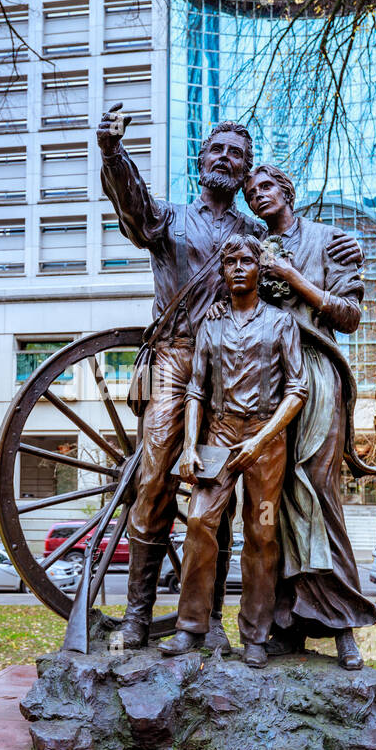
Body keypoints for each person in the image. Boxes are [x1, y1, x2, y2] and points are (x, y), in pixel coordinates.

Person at [98, 102, 265, 649]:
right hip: (173, 358)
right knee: (152, 483)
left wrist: (340, 251)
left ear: (245, 171)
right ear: (202, 160)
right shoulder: (168, 218)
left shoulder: (253, 233)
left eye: (236, 154)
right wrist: (112, 151)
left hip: (233, 367)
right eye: (217, 149)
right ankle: (138, 618)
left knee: (220, 493)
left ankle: (208, 620)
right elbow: (134, 205)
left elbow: (291, 270)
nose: (225, 158)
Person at [240, 164, 376, 670]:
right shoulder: (249, 248)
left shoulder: (328, 240)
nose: (258, 197)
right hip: (265, 377)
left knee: (319, 494)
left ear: (287, 191)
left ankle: (343, 625)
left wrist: (296, 280)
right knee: (268, 505)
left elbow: (349, 314)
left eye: (266, 187)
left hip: (316, 372)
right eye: (250, 192)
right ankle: (286, 624)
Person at [158, 234, 308, 668]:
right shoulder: (212, 324)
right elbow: (195, 391)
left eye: (247, 260)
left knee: (262, 533)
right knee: (201, 520)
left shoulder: (281, 323)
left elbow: (296, 389)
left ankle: (256, 636)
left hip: (266, 441)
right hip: (218, 438)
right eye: (230, 262)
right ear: (222, 273)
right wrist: (189, 448)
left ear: (260, 268)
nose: (239, 267)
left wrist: (261, 441)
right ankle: (191, 626)